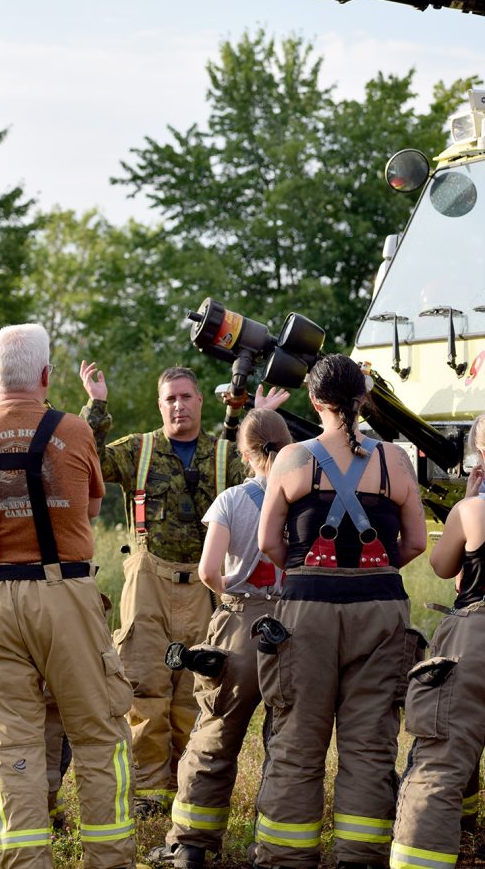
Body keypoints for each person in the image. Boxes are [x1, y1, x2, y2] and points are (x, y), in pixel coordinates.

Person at [0, 324, 136, 869]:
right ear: (44, 376)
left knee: (12, 747)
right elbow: (91, 508)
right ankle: (109, 861)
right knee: (99, 734)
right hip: (64, 593)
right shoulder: (75, 430)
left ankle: (26, 861)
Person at [79, 360, 286, 817]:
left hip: (205, 584)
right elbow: (83, 454)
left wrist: (260, 416)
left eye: (186, 397)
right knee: (144, 688)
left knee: (197, 691)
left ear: (198, 401)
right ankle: (151, 795)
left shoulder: (221, 454)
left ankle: (188, 789)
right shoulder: (140, 450)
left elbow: (268, 468)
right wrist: (97, 404)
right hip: (148, 581)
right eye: (169, 398)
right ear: (160, 405)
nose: (178, 406)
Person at [253, 353, 427, 869]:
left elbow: (268, 543)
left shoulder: (290, 459)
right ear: (363, 399)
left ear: (314, 401)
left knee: (297, 740)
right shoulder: (395, 461)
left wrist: (310, 571)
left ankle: (286, 857)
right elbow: (415, 542)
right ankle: (360, 856)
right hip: (380, 611)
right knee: (371, 743)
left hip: (307, 612)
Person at [151, 408, 292, 869]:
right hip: (294, 625)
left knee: (214, 735)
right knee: (288, 743)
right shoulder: (306, 496)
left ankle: (190, 845)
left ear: (245, 453)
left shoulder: (232, 499)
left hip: (240, 625)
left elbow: (210, 571)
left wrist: (233, 595)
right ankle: (276, 850)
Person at [391, 413, 485, 869]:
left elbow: (443, 567)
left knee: (444, 755)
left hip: (476, 634)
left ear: (479, 455)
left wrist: (465, 504)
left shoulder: (473, 512)